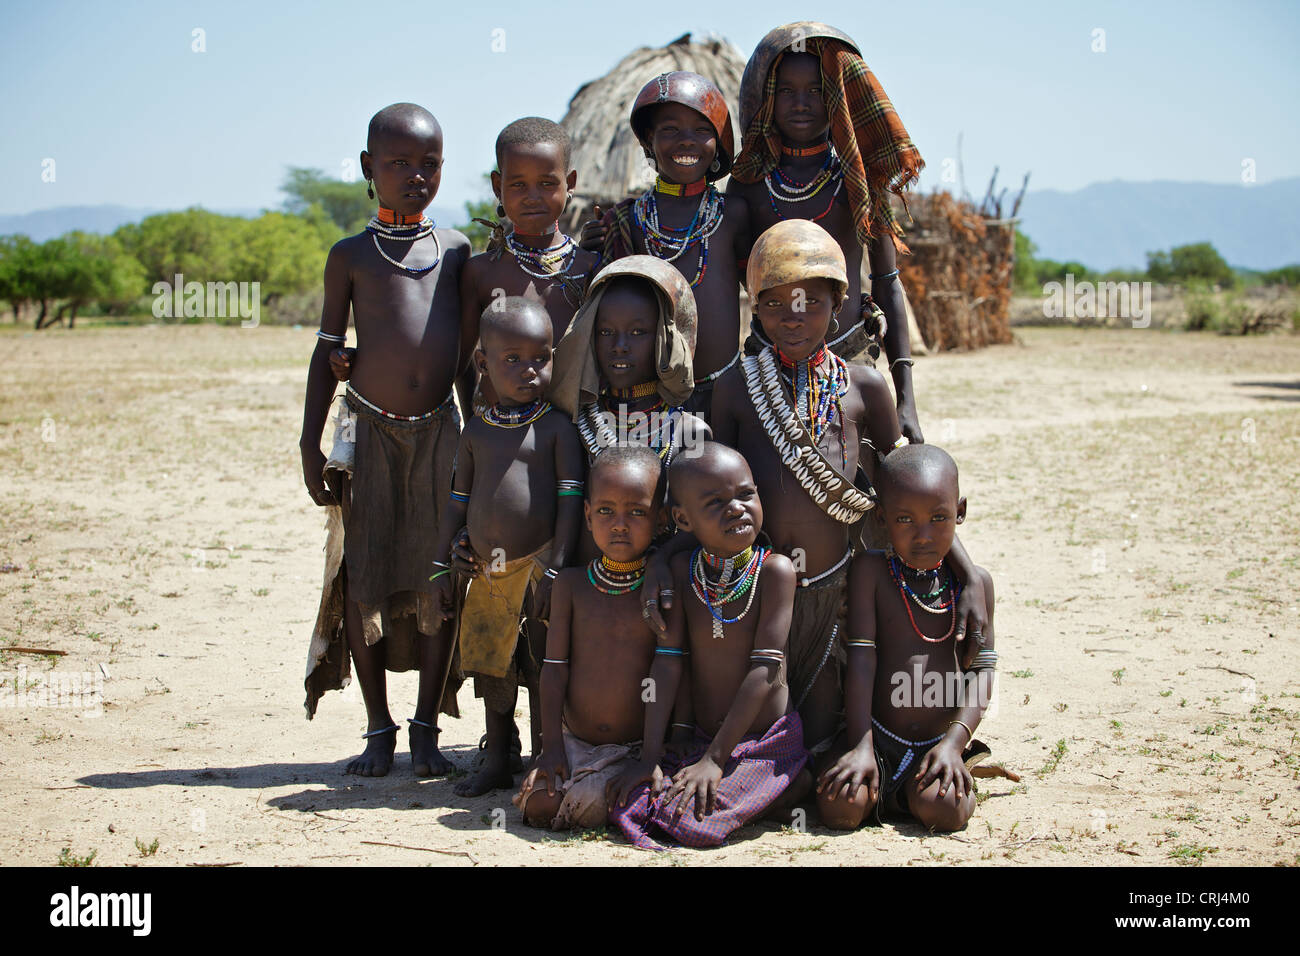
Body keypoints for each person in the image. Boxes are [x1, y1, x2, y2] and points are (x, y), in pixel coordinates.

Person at [696, 220, 988, 757]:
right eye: (775, 304)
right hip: (766, 593)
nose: (793, 317)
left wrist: (967, 572)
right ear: (754, 310)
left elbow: (905, 492)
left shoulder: (866, 386)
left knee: (828, 737)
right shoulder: (737, 388)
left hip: (842, 595)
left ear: (838, 301)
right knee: (772, 737)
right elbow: (725, 494)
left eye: (810, 302)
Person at [301, 102, 471, 778]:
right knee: (364, 578)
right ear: (369, 169)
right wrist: (309, 446)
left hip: (440, 437)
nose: (414, 175)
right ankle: (379, 727)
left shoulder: (456, 252)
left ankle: (428, 725)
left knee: (440, 580)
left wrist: (477, 450)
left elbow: (463, 357)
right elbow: (325, 351)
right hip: (368, 435)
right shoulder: (350, 257)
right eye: (398, 163)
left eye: (428, 163)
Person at [729, 22, 927, 442]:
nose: (801, 103)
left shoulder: (858, 181)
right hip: (768, 359)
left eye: (816, 90)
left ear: (837, 97)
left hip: (853, 357)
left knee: (860, 479)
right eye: (786, 90)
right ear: (766, 98)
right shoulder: (749, 183)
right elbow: (728, 282)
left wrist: (905, 397)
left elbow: (887, 283)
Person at [607, 443, 808, 849]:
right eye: (716, 503)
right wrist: (650, 757)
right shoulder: (683, 572)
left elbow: (765, 671)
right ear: (682, 519)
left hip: (766, 741)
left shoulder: (775, 571)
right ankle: (760, 792)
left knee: (694, 823)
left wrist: (715, 761)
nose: (736, 509)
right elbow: (667, 662)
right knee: (634, 803)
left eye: (746, 495)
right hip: (703, 740)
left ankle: (792, 783)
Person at [331, 116, 598, 415]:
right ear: (498, 186)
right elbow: (460, 363)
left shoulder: (588, 268)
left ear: (570, 183)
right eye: (518, 184)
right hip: (497, 429)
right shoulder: (481, 272)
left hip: (572, 424)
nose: (532, 196)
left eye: (547, 183)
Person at [430, 297, 584, 797]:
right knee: (490, 664)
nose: (529, 371)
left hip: (540, 565)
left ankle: (545, 756)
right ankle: (498, 756)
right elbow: (457, 504)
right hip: (484, 572)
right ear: (483, 364)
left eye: (541, 358)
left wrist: (557, 568)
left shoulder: (557, 429)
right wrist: (440, 564)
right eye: (511, 360)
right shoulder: (476, 432)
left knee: (543, 666)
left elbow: (569, 505)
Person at [818, 444, 1012, 831]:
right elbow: (861, 660)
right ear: (882, 517)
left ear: (961, 512)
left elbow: (983, 673)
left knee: (945, 812)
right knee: (841, 806)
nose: (923, 535)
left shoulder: (976, 585)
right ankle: (877, 778)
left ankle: (942, 775)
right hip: (876, 736)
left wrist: (954, 745)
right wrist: (860, 744)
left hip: (938, 744)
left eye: (939, 518)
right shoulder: (871, 572)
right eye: (905, 519)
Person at [581, 71, 750, 422]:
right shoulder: (629, 220)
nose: (686, 141)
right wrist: (591, 252)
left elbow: (764, 290)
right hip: (651, 397)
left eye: (702, 131)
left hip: (725, 390)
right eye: (670, 130)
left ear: (718, 142)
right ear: (649, 141)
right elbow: (608, 303)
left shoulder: (732, 214)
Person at [514, 445, 666, 830]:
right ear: (586, 515)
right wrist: (549, 750)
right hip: (574, 744)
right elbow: (553, 670)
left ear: (661, 519)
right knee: (541, 805)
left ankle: (623, 792)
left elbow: (669, 673)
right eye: (605, 511)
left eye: (637, 512)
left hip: (638, 748)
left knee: (627, 800)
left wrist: (650, 756)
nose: (619, 524)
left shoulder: (662, 588)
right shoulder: (571, 585)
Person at [550, 255, 709, 558]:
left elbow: (697, 529)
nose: (619, 345)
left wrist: (660, 565)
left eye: (638, 332)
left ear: (666, 337)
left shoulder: (690, 431)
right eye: (605, 332)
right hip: (585, 590)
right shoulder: (571, 425)